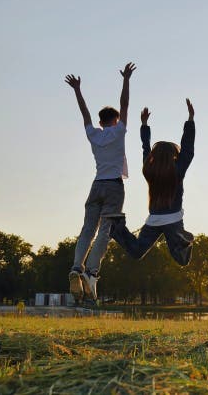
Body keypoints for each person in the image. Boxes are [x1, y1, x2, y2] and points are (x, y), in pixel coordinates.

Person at [64, 62, 135, 304]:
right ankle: (91, 272)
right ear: (115, 120)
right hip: (114, 186)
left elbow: (84, 114)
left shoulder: (93, 134)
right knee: (105, 230)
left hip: (96, 186)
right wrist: (126, 79)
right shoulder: (119, 132)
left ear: (100, 121)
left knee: (87, 229)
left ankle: (76, 267)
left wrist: (77, 90)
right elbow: (125, 104)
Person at [104, 100, 196, 266]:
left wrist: (144, 125)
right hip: (173, 220)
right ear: (173, 156)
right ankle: (182, 242)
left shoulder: (149, 171)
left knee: (137, 251)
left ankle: (116, 226)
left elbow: (145, 148)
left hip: (154, 219)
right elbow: (188, 148)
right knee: (182, 260)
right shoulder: (177, 170)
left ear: (154, 158)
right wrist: (190, 119)